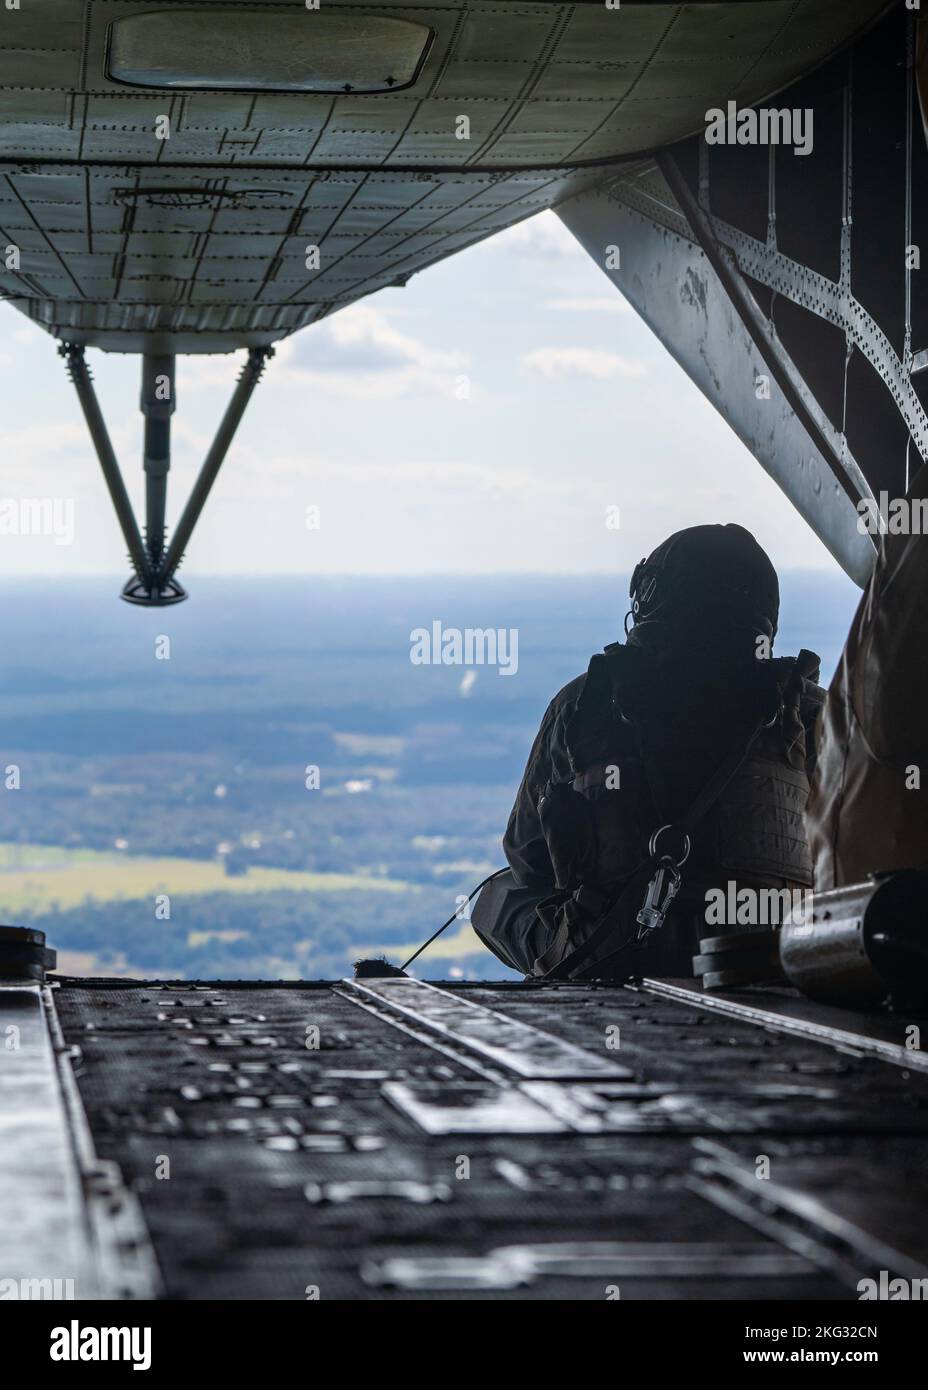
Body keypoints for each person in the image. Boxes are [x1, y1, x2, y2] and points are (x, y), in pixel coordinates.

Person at [472, 524, 823, 981]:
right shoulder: (815, 714)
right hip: (772, 960)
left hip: (614, 957)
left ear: (651, 596)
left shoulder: (585, 703)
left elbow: (526, 856)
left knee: (495, 899)